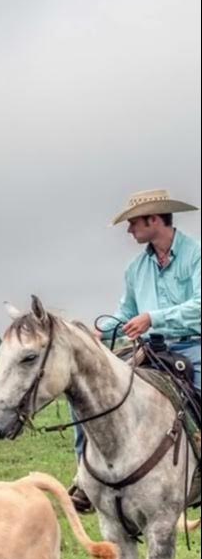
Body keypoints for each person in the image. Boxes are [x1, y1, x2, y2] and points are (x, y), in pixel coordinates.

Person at [70, 189, 200, 510]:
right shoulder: (135, 269)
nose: (129, 230)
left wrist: (152, 318)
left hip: (194, 344)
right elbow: (127, 312)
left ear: (154, 219)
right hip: (150, 349)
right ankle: (85, 478)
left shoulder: (196, 255)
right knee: (90, 391)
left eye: (133, 223)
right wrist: (99, 331)